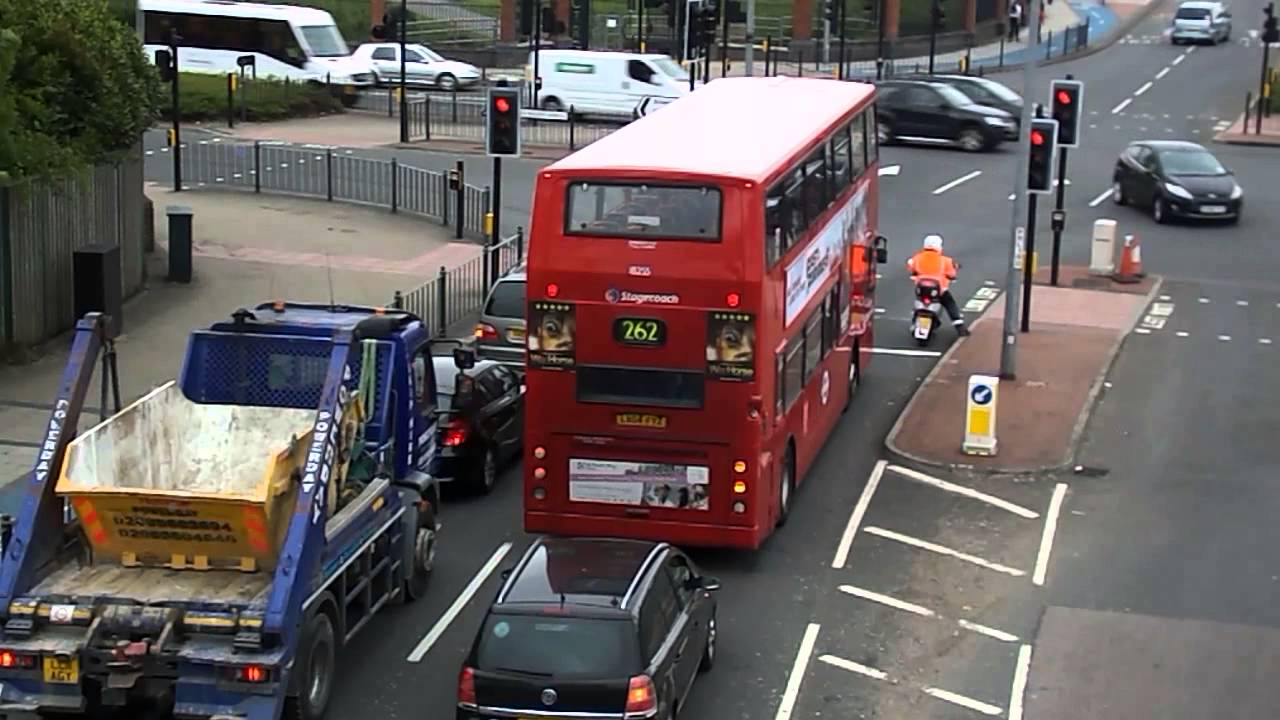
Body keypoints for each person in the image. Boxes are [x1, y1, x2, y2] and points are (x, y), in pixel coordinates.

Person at [906, 234, 968, 336]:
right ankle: (959, 326)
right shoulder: (945, 260)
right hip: (939, 289)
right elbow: (951, 273)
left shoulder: (917, 258)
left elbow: (911, 267)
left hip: (921, 288)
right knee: (949, 303)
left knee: (918, 301)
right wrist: (952, 276)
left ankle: (914, 321)